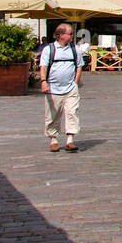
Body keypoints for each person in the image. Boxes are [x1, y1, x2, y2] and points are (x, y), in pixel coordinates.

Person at [39, 23, 84, 154]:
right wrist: (43, 81)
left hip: (71, 87)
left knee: (72, 112)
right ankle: (53, 140)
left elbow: (79, 66)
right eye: (70, 34)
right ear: (61, 35)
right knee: (53, 115)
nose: (72, 36)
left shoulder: (74, 49)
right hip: (53, 87)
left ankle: (70, 140)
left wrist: (76, 82)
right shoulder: (49, 49)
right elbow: (43, 67)